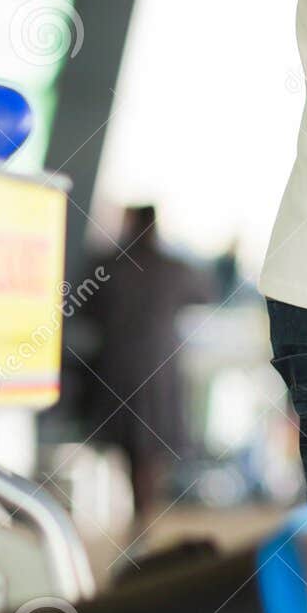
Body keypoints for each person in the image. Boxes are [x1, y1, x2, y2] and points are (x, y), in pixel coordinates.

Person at [88, 205, 215, 543]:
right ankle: (142, 516)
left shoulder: (107, 267)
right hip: (160, 372)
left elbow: (86, 310)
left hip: (116, 369)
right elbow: (206, 292)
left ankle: (138, 515)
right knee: (150, 449)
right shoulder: (172, 268)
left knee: (130, 447)